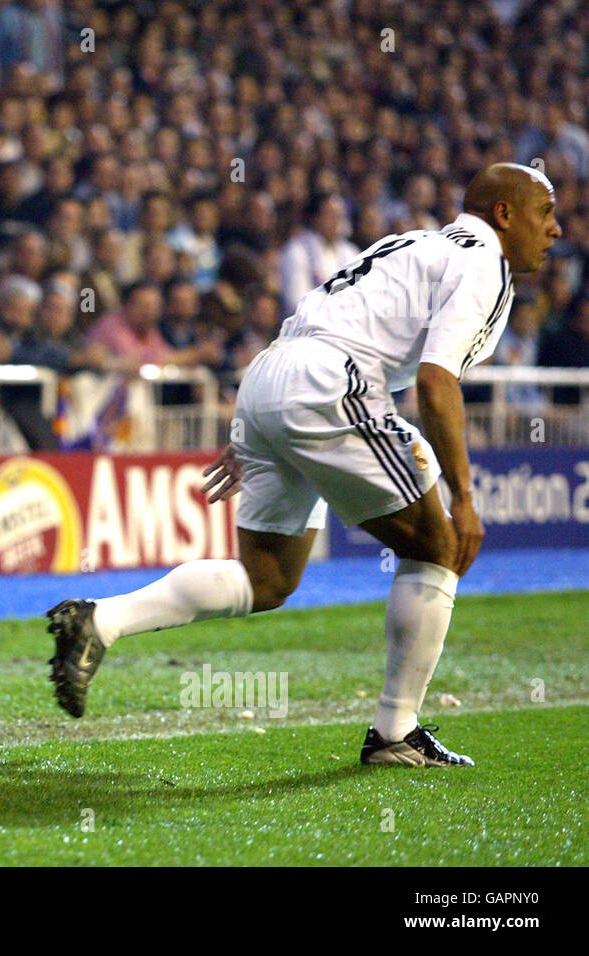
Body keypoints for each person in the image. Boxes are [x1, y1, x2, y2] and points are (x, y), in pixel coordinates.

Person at [46, 163, 563, 768]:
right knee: (440, 545)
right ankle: (395, 732)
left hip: (273, 371)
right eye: (545, 213)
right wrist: (466, 496)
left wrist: (262, 423)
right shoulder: (484, 265)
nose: (555, 230)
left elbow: (325, 317)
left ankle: (99, 621)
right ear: (504, 214)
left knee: (266, 579)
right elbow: (435, 380)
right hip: (330, 383)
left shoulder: (415, 241)